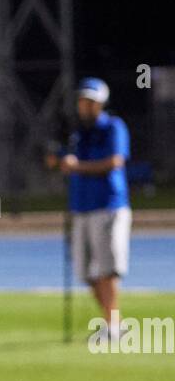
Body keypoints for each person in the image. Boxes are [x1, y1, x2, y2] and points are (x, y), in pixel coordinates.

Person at [46, 78, 131, 341]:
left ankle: (113, 325)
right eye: (83, 101)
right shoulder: (76, 134)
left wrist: (77, 166)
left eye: (90, 101)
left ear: (100, 103)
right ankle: (112, 321)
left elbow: (114, 161)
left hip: (107, 205)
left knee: (107, 269)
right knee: (85, 272)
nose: (85, 106)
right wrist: (55, 159)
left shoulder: (113, 127)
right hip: (80, 208)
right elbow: (60, 159)